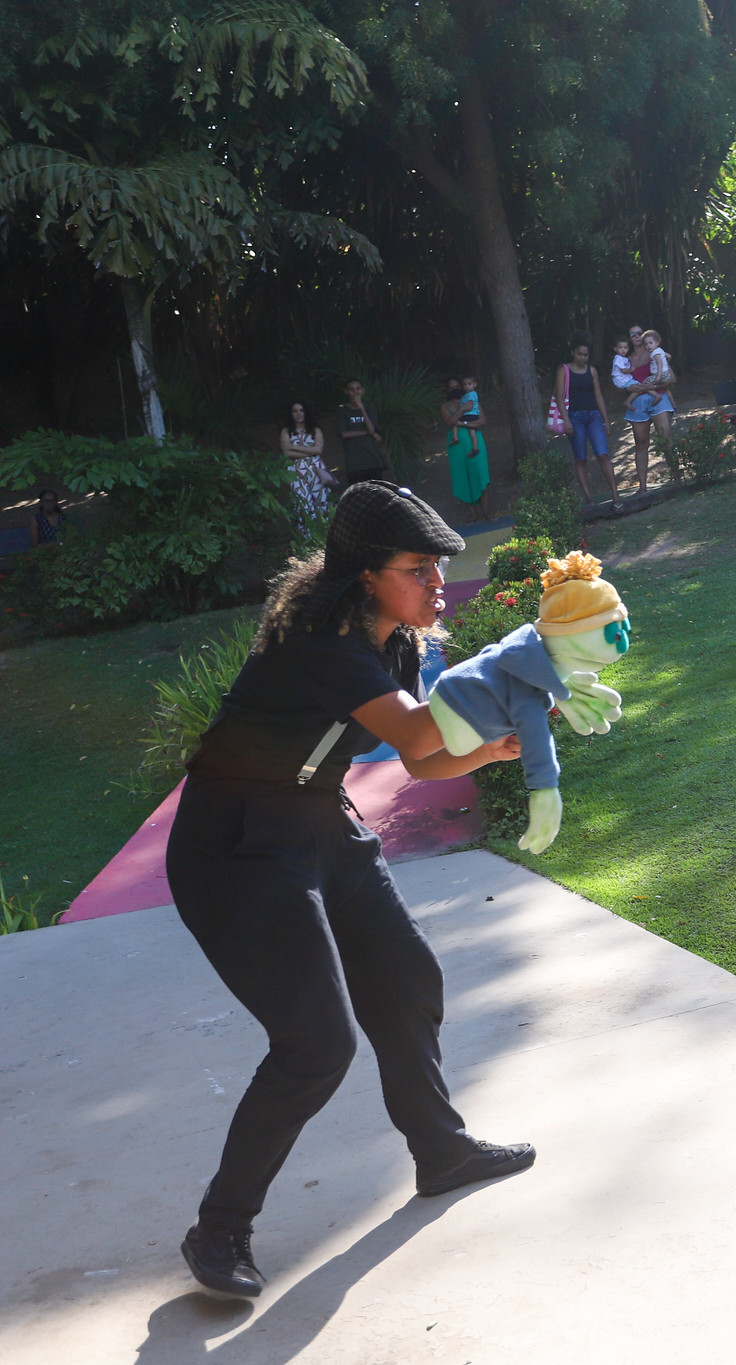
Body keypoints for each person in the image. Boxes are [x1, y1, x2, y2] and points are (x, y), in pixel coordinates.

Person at [167, 481, 534, 1298]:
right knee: (316, 1043)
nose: (439, 582)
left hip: (318, 823)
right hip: (235, 847)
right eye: (419, 568)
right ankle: (219, 1228)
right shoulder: (325, 643)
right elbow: (414, 728)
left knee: (407, 977)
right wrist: (514, 664)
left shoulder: (393, 638)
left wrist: (489, 751)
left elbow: (422, 756)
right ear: (366, 574)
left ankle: (440, 1151)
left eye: (440, 565)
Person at [555, 335, 617, 507]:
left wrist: (605, 419)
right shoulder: (564, 370)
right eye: (580, 354)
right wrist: (566, 420)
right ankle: (589, 498)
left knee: (602, 454)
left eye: (586, 355)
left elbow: (598, 395)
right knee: (580, 458)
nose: (583, 358)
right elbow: (559, 397)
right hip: (574, 417)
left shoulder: (592, 371)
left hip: (593, 415)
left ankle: (615, 494)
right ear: (573, 353)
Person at [618, 330, 676, 495]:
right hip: (637, 401)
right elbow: (619, 380)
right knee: (641, 442)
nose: (636, 336)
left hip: (658, 396)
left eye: (639, 333)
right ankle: (642, 486)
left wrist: (653, 387)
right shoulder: (624, 358)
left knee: (666, 437)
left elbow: (671, 378)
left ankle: (677, 478)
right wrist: (629, 388)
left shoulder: (655, 352)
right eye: (632, 334)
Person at [279, 400, 337, 526]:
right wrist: (310, 452)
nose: (298, 414)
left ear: (306, 412)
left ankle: (326, 536)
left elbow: (319, 449)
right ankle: (307, 541)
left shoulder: (315, 430)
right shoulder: (286, 431)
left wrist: (294, 447)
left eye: (301, 410)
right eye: (295, 411)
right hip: (295, 472)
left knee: (322, 502)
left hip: (316, 470)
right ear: (291, 414)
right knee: (302, 505)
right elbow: (286, 453)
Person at [442, 376, 490, 512]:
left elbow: (482, 420)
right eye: (451, 388)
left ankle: (486, 512)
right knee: (462, 476)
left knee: (480, 473)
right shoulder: (445, 406)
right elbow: (449, 422)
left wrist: (464, 423)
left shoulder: (473, 401)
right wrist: (461, 410)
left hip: (475, 441)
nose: (454, 390)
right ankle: (472, 515)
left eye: (457, 387)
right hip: (457, 446)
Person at [335, 379, 386, 486]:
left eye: (357, 389)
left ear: (362, 390)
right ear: (347, 392)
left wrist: (361, 408)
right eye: (352, 390)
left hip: (373, 460)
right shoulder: (342, 411)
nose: (355, 392)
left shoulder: (370, 409)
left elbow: (372, 429)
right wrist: (368, 433)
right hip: (354, 463)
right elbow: (344, 434)